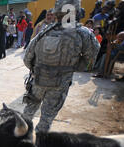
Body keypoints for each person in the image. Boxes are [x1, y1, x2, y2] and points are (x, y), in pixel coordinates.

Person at [23, 0, 100, 132]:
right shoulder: (83, 33)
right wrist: (74, 67)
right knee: (46, 118)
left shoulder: (45, 30)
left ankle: (20, 137)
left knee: (28, 112)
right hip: (60, 83)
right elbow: (90, 61)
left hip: (39, 79)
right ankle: (39, 143)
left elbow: (27, 57)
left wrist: (35, 69)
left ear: (57, 12)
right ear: (76, 12)